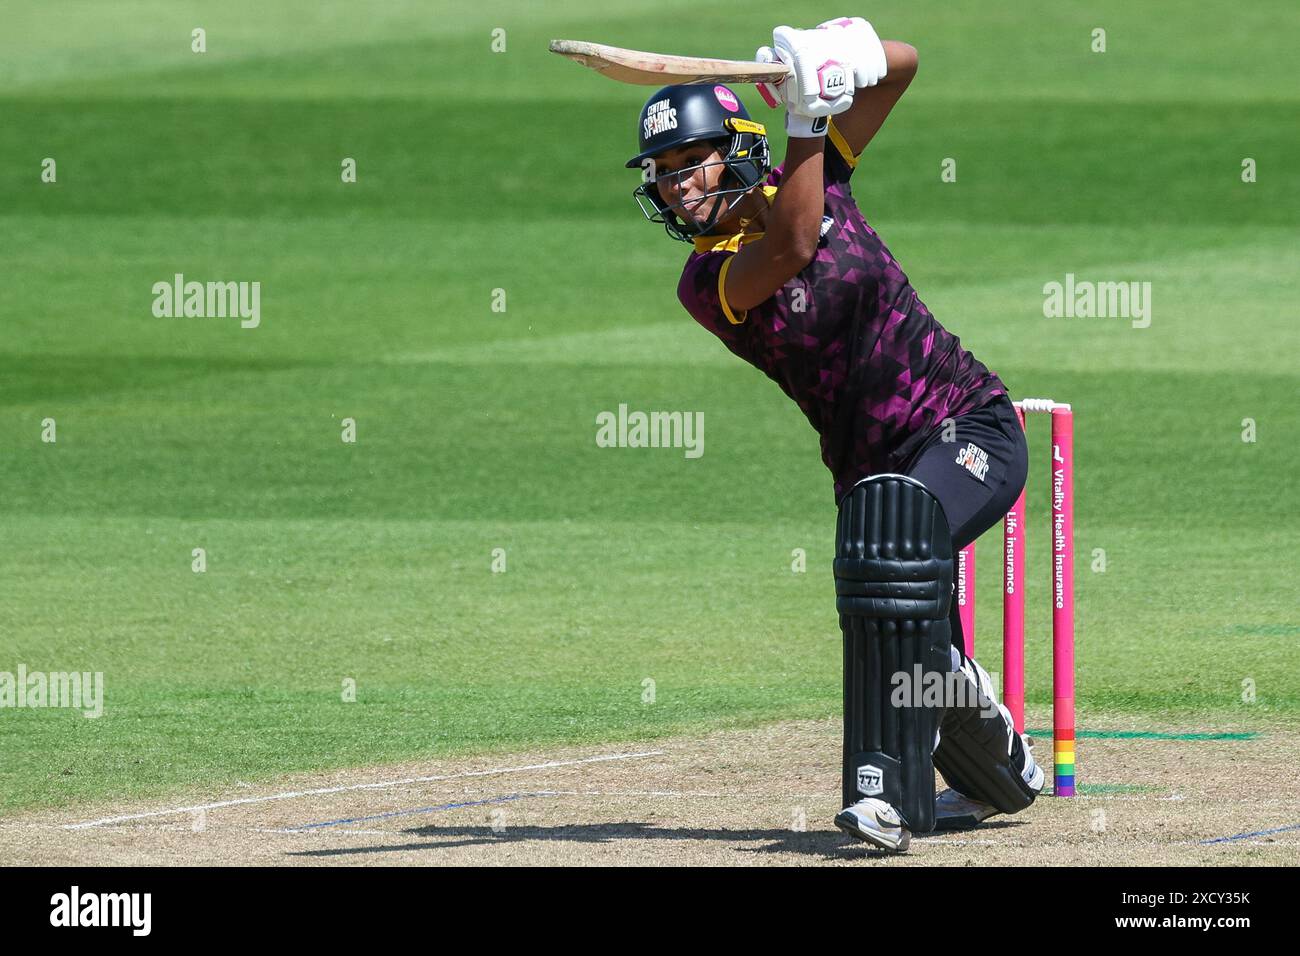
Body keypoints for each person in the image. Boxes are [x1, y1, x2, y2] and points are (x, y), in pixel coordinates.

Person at [625, 19, 1043, 852]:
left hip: (970, 428)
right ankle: (1003, 770)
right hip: (870, 480)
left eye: (688, 164)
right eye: (663, 175)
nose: (674, 188)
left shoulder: (817, 173)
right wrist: (810, 122)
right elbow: (792, 244)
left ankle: (878, 795)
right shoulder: (708, 281)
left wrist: (832, 60)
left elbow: (906, 66)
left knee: (893, 562)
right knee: (909, 640)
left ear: (738, 149)